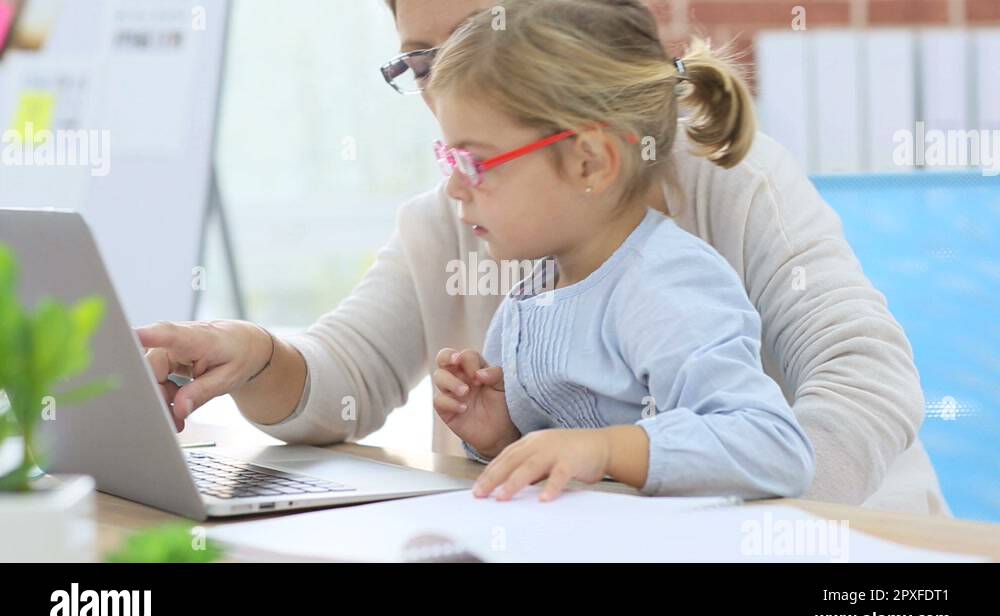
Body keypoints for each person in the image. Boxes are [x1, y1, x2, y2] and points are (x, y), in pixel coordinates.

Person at [136, 0, 950, 515]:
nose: (446, 82)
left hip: (855, 548)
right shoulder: (478, 220)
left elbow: (859, 382)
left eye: (475, 42)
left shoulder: (725, 197)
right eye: (421, 60)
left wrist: (739, 515)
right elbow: (340, 380)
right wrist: (254, 358)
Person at [426, 0, 814, 502]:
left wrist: (605, 449)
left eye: (474, 161)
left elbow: (775, 448)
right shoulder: (531, 299)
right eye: (447, 158)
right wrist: (501, 435)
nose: (455, 186)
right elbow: (574, 475)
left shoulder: (666, 282)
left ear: (590, 162)